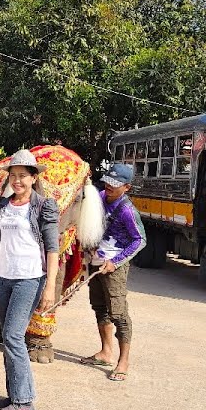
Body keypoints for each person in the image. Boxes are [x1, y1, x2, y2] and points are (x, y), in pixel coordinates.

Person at [0, 149, 60, 410]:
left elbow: (52, 248)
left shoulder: (43, 206)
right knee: (7, 334)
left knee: (14, 336)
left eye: (23, 176)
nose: (17, 181)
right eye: (13, 176)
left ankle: (25, 401)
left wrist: (50, 285)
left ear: (33, 178)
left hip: (29, 278)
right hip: (4, 276)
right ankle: (15, 393)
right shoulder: (3, 205)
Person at [79, 162, 145, 382]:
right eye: (108, 181)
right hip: (96, 260)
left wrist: (115, 262)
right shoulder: (98, 197)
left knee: (119, 313)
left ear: (126, 187)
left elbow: (140, 240)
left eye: (115, 184)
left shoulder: (127, 211)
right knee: (99, 306)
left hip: (113, 266)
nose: (109, 186)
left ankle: (123, 361)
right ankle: (106, 352)